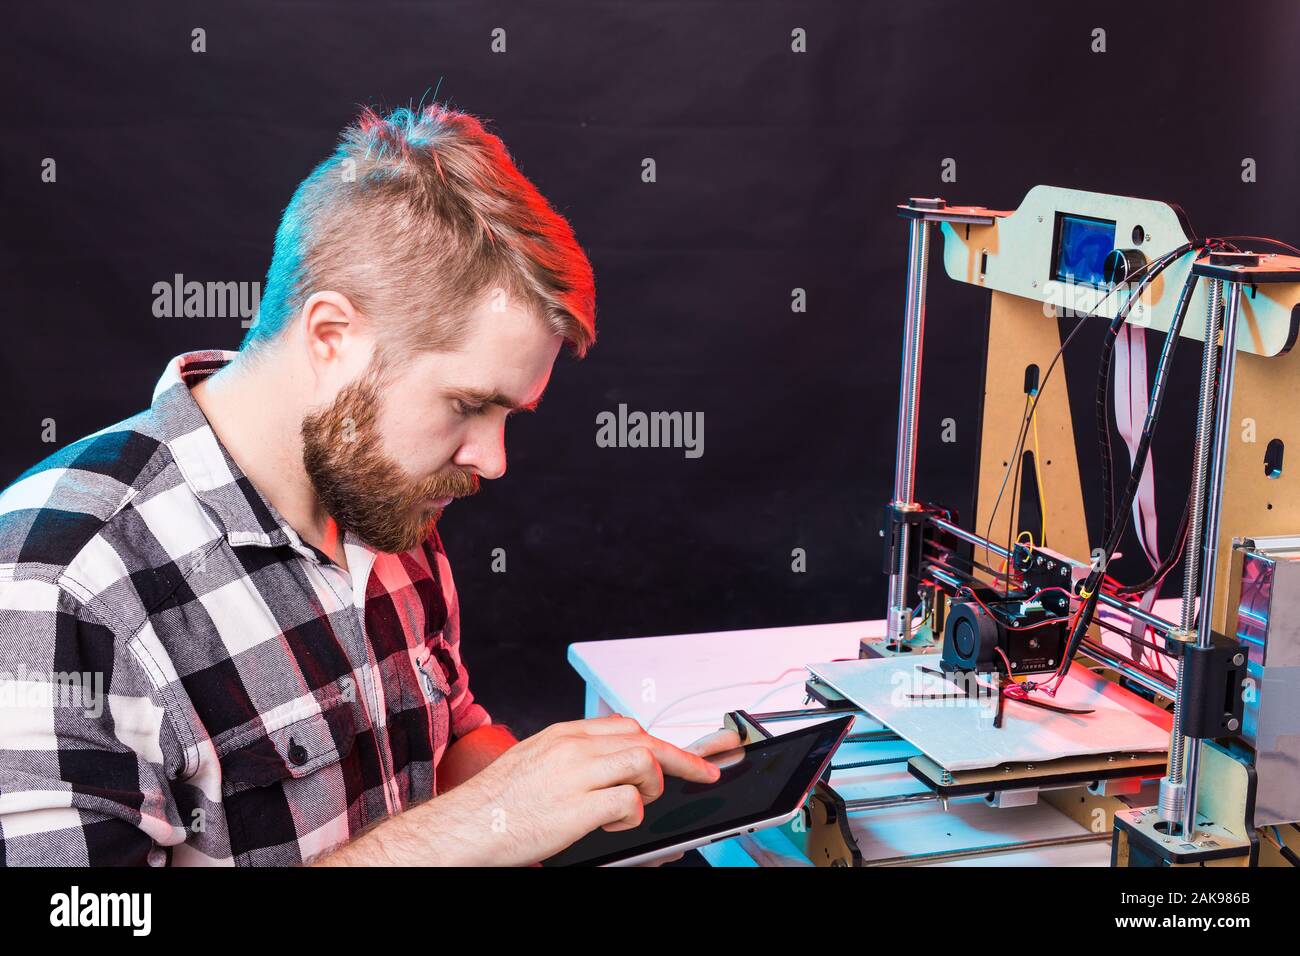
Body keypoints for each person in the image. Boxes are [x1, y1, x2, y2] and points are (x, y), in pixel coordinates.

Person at [0, 103, 738, 866]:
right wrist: (485, 823)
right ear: (331, 337)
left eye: (511, 414)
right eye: (467, 405)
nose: (493, 459)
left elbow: (444, 745)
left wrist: (576, 800)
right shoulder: (55, 583)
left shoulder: (379, 490)